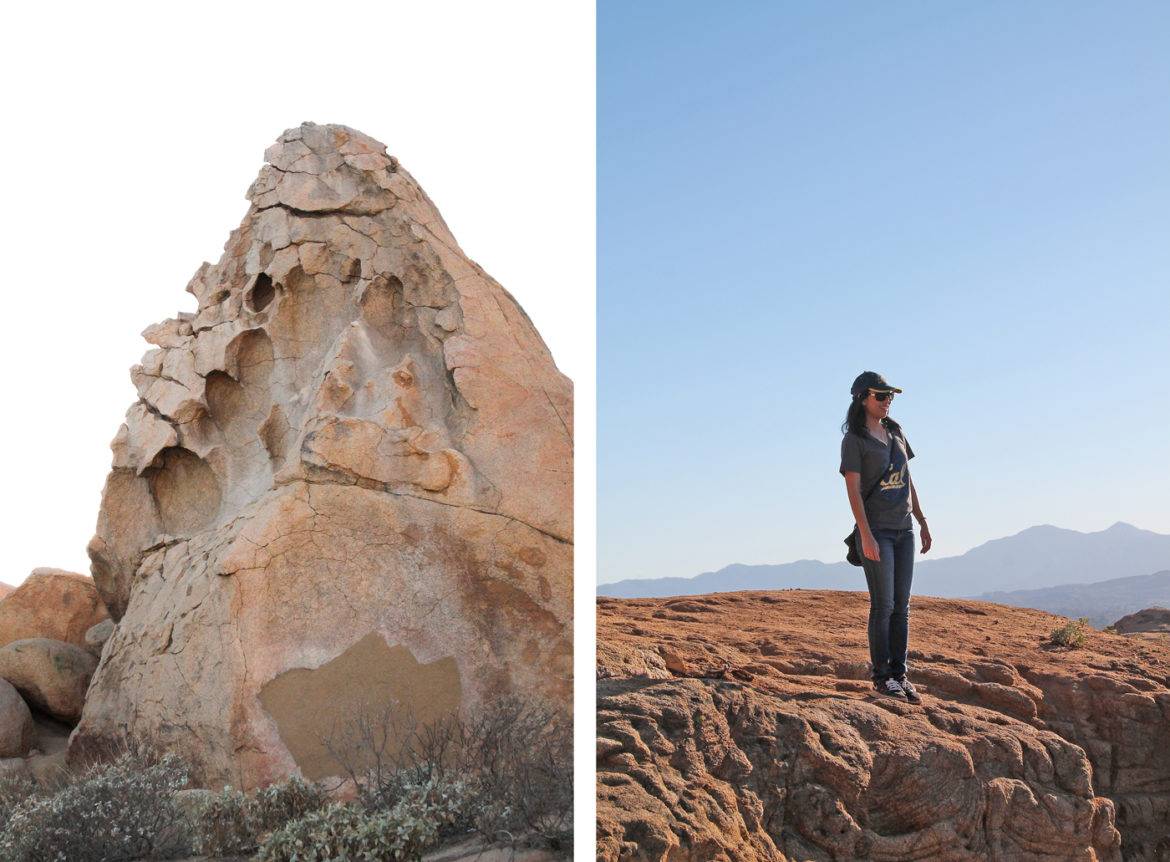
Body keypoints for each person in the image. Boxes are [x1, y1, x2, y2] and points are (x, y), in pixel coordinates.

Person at [839, 371, 931, 703]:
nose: (887, 401)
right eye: (880, 395)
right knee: (884, 605)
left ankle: (899, 675)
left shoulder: (896, 432)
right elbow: (852, 491)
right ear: (863, 398)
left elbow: (907, 478)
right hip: (877, 530)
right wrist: (865, 535)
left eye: (889, 396)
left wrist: (922, 520)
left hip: (904, 529)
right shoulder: (854, 440)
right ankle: (882, 678)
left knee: (901, 608)